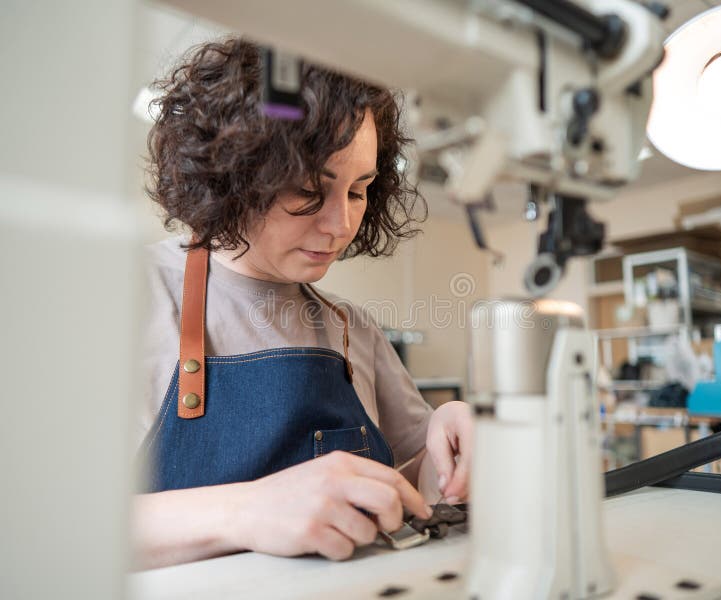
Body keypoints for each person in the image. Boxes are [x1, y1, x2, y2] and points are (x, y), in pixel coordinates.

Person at [132, 37, 473, 570]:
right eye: (308, 190)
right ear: (233, 173)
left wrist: (451, 439)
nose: (340, 225)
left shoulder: (350, 327)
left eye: (358, 191)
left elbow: (414, 484)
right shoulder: (123, 296)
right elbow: (40, 522)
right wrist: (244, 510)